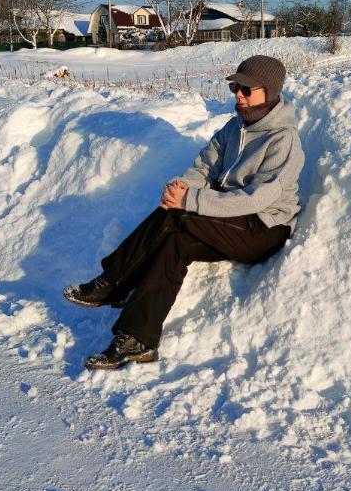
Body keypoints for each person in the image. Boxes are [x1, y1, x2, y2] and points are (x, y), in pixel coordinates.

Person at [63, 54, 305, 370]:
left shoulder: (283, 139)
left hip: (262, 228)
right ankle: (138, 339)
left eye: (247, 90)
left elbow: (256, 198)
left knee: (179, 216)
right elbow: (205, 166)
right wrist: (181, 189)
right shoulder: (234, 128)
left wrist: (189, 201)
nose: (238, 96)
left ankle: (112, 282)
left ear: (270, 92)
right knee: (173, 242)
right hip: (227, 219)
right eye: (235, 88)